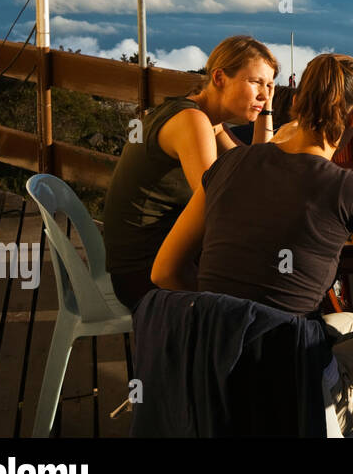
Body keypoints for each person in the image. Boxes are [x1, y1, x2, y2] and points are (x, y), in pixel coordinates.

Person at [151, 53, 353, 437]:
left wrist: (229, 320)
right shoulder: (351, 191)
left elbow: (164, 271)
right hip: (296, 400)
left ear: (295, 102)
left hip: (210, 378)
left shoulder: (229, 165)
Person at [103, 35, 278, 310]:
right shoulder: (192, 121)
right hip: (148, 279)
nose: (264, 93)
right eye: (255, 82)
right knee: (268, 291)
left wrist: (266, 109)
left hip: (148, 264)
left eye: (270, 85)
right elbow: (219, 208)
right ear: (220, 78)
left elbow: (251, 165)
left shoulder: (204, 117)